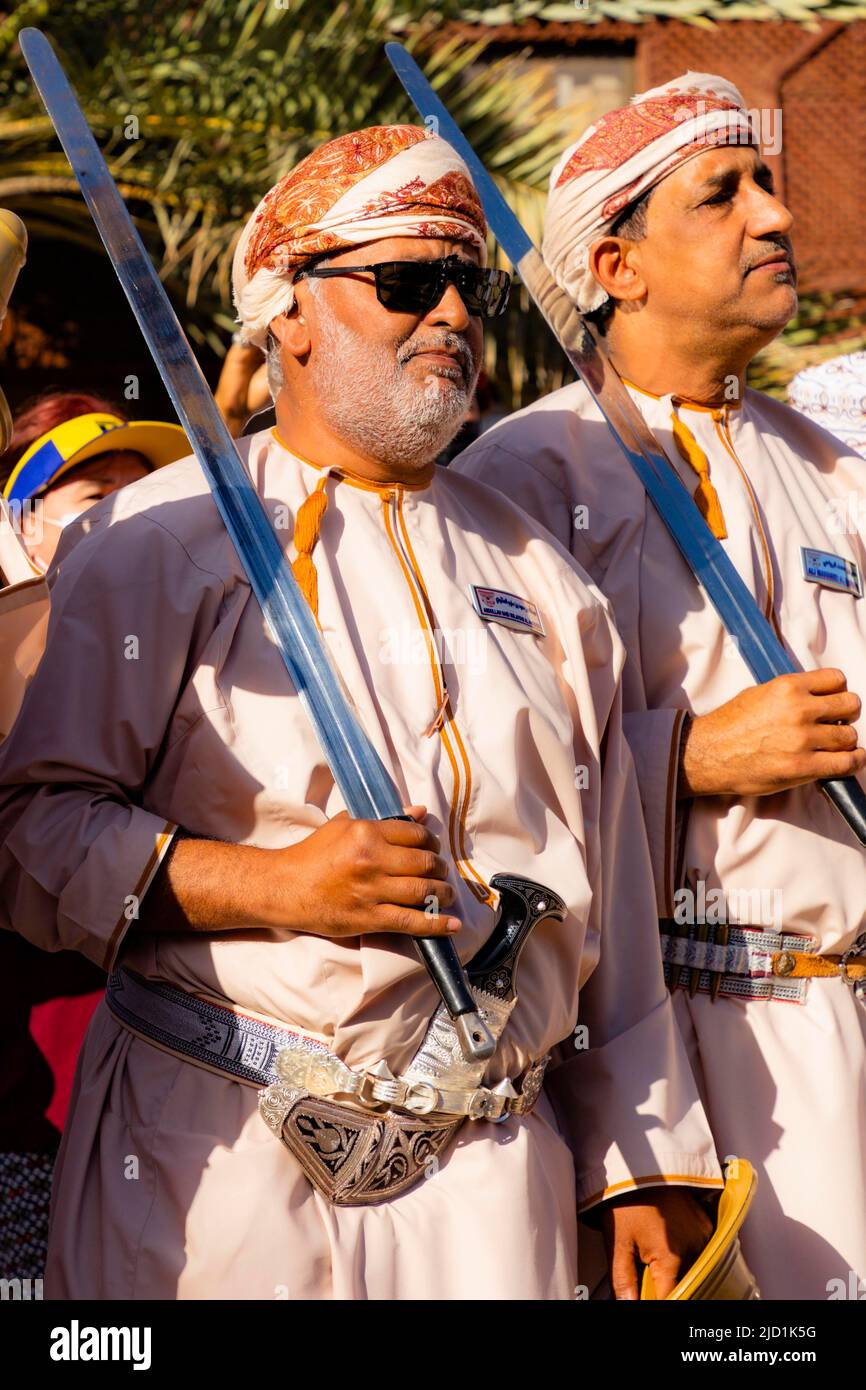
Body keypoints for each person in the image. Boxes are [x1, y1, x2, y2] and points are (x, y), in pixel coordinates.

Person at [0, 126, 720, 1301]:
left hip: (495, 1180)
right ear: (286, 312)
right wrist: (269, 886)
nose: (449, 311)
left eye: (468, 284)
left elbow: (616, 909)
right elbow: (31, 840)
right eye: (403, 281)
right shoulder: (155, 542)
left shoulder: (550, 582)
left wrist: (642, 1159)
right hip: (219, 1155)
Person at [455, 71, 866, 1299]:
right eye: (721, 195)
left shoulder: (835, 469)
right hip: (648, 1050)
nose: (773, 218)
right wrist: (684, 754)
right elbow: (477, 789)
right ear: (617, 266)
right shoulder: (512, 483)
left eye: (768, 187)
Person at [0, 392, 188, 1283]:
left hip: (158, 1096)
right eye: (91, 500)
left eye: (140, 500)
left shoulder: (198, 655)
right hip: (29, 1085)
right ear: (18, 524)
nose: (121, 521)